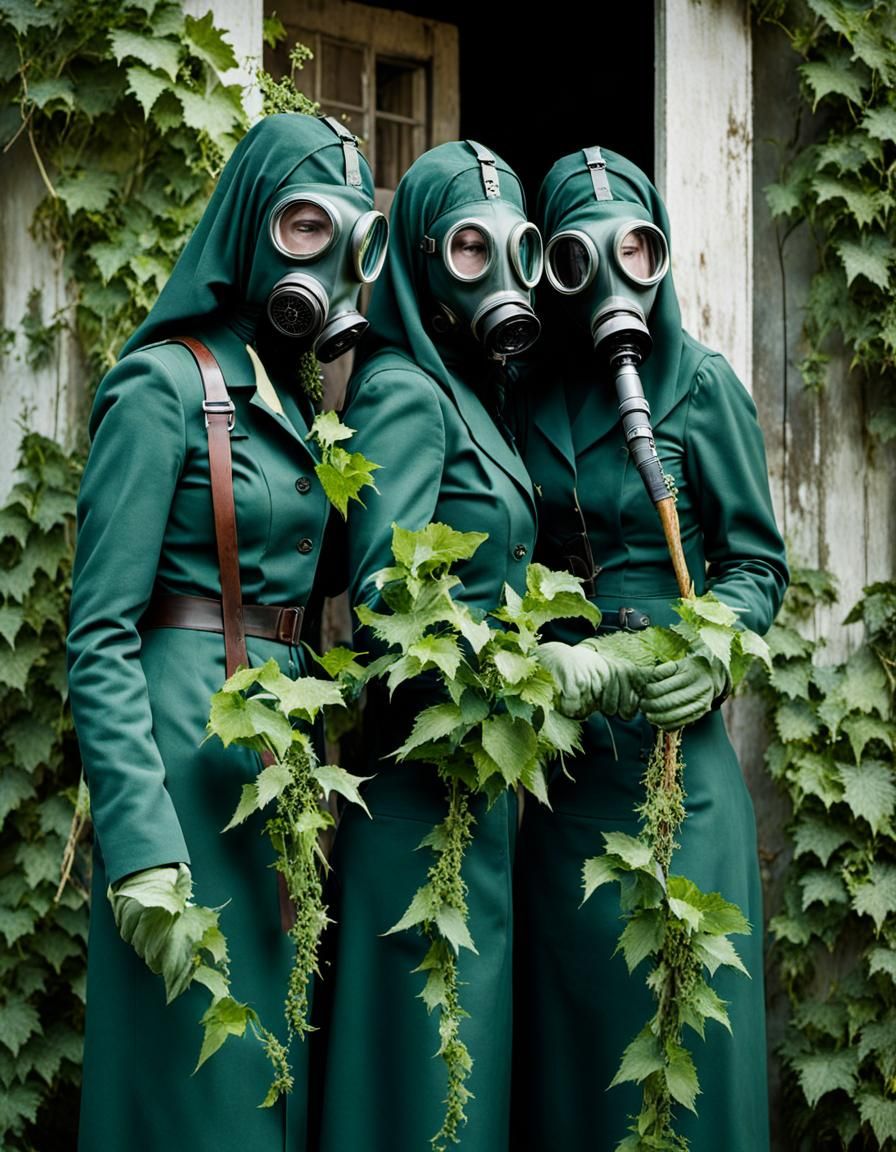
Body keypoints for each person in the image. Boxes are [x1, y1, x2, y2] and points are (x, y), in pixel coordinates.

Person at [66, 111, 388, 1151]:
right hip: (182, 771)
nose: (324, 258)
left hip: (279, 771)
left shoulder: (296, 408)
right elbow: (100, 633)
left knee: (268, 1080)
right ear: (249, 223)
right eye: (302, 225)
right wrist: (140, 846)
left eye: (347, 237)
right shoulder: (162, 389)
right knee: (193, 1090)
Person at [509, 145, 789, 1152]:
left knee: (690, 1042)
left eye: (636, 245)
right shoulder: (517, 395)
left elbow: (755, 564)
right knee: (576, 1048)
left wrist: (716, 652)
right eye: (588, 253)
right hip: (567, 772)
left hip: (683, 770)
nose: (616, 274)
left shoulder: (701, 384)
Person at [309, 139, 543, 1152]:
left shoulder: (470, 397)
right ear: (415, 256)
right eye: (463, 248)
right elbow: (382, 598)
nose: (492, 272)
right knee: (416, 1084)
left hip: (476, 793)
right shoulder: (403, 393)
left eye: (511, 246)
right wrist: (521, 659)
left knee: (462, 1080)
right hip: (420, 789)